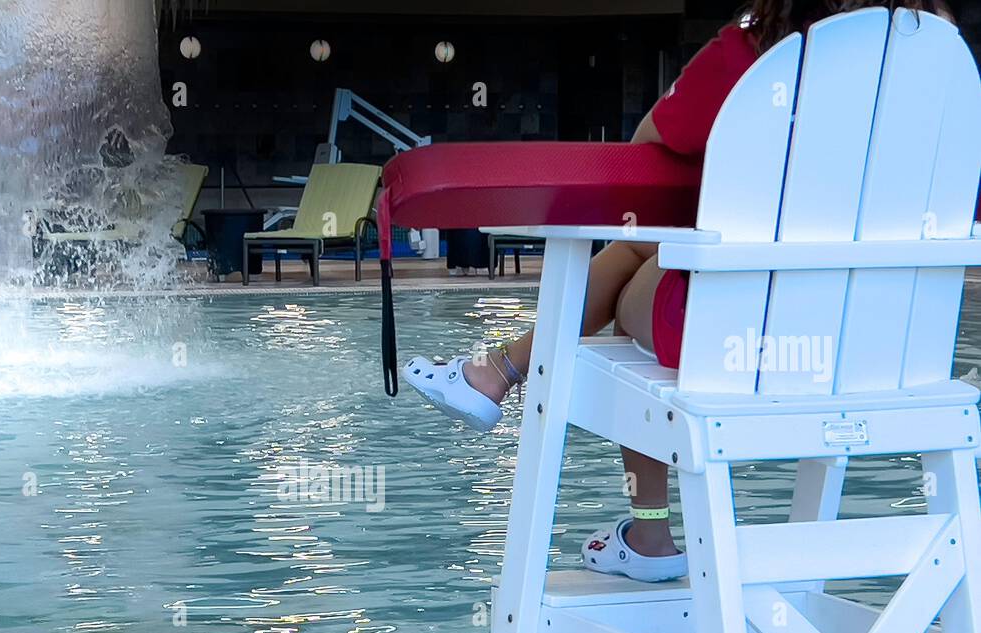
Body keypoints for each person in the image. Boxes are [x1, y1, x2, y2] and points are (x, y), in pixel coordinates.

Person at [404, 0, 951, 583]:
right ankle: (500, 374)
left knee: (634, 259)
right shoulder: (939, 55)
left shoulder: (757, 44)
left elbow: (646, 152)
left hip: (742, 332)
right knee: (650, 255)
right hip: (891, 341)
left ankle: (641, 522)